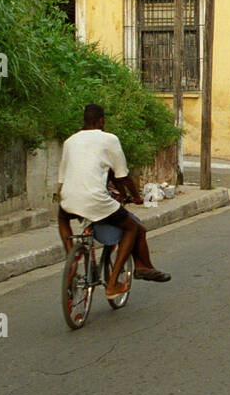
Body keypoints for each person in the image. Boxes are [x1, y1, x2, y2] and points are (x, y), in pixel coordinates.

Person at [57, 104, 171, 297]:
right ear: (101, 120)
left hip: (68, 198)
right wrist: (135, 196)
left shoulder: (70, 142)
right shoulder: (109, 139)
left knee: (62, 218)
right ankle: (113, 282)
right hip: (95, 200)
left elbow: (63, 178)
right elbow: (122, 176)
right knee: (132, 227)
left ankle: (72, 260)